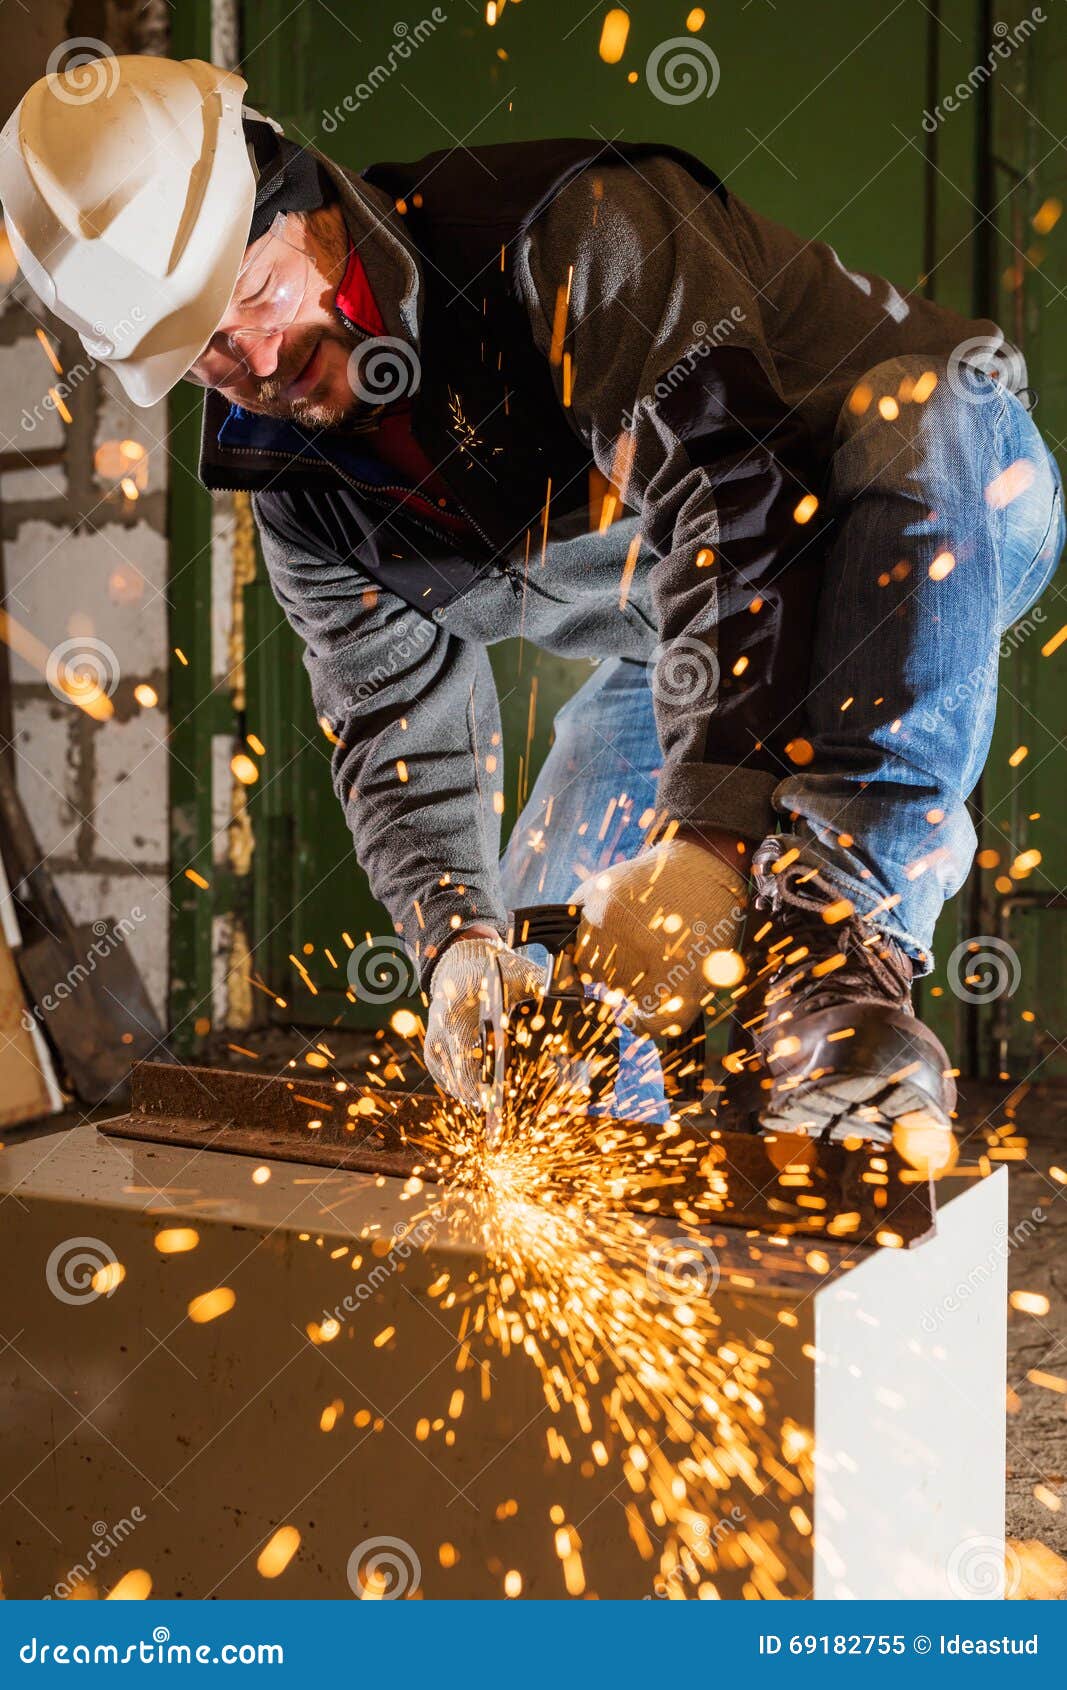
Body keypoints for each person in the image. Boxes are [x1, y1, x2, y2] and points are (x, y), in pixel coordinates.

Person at [4, 56, 1060, 1139]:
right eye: (206, 354)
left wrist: (712, 844)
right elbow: (390, 718)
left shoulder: (567, 234)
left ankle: (835, 967)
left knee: (926, 404)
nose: (259, 360)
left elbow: (734, 496)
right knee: (546, 1031)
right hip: (677, 639)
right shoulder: (292, 482)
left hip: (935, 507)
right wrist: (456, 940)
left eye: (257, 296)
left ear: (309, 203)